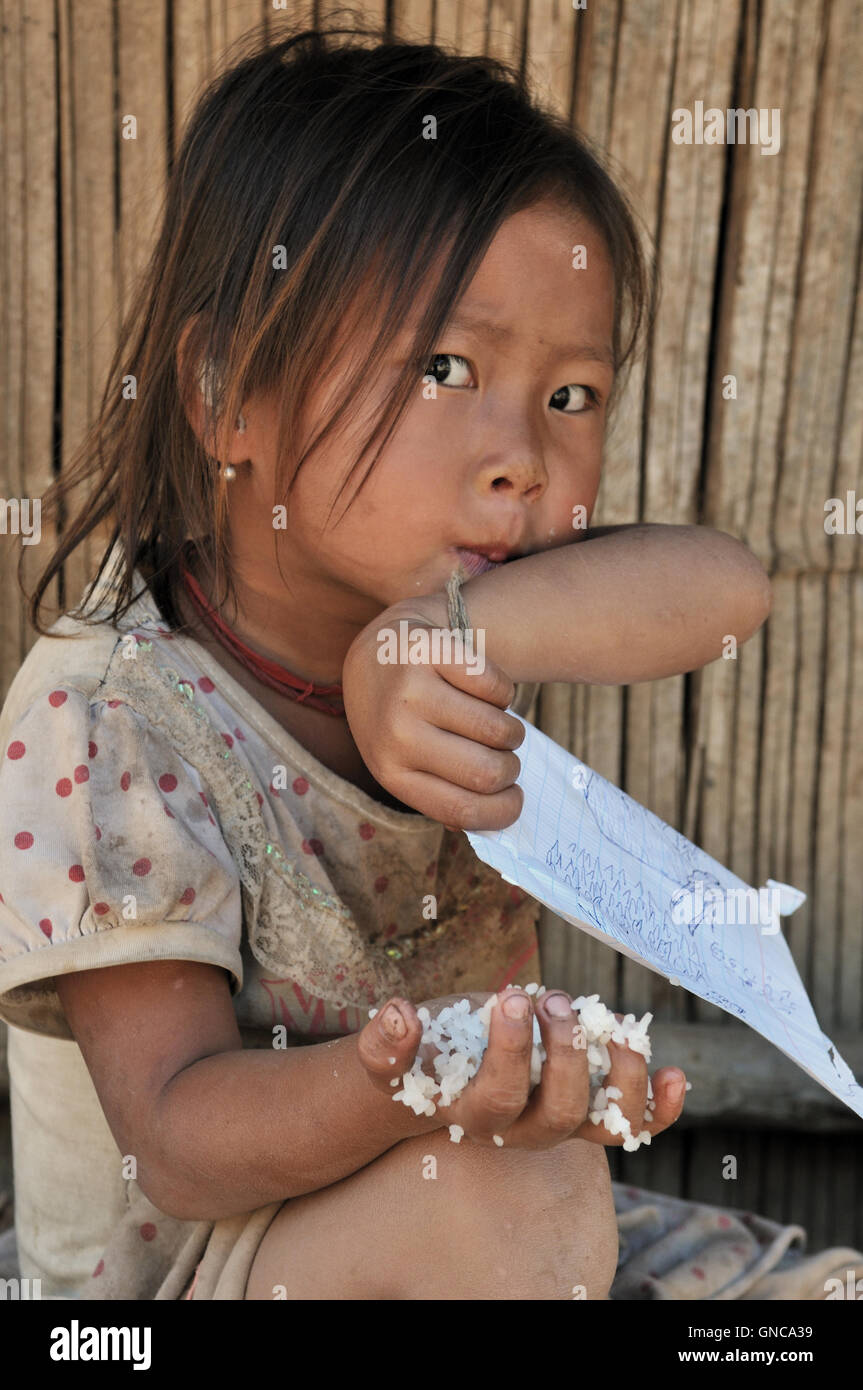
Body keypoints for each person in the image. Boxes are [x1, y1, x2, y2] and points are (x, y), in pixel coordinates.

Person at [0, 20, 857, 1301]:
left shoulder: (462, 610)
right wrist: (422, 1068)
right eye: (444, 368)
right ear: (231, 391)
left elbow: (724, 589)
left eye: (571, 396)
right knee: (508, 1193)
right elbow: (175, 1139)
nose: (521, 452)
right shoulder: (110, 713)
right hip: (181, 1292)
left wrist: (445, 638)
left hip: (483, 1222)